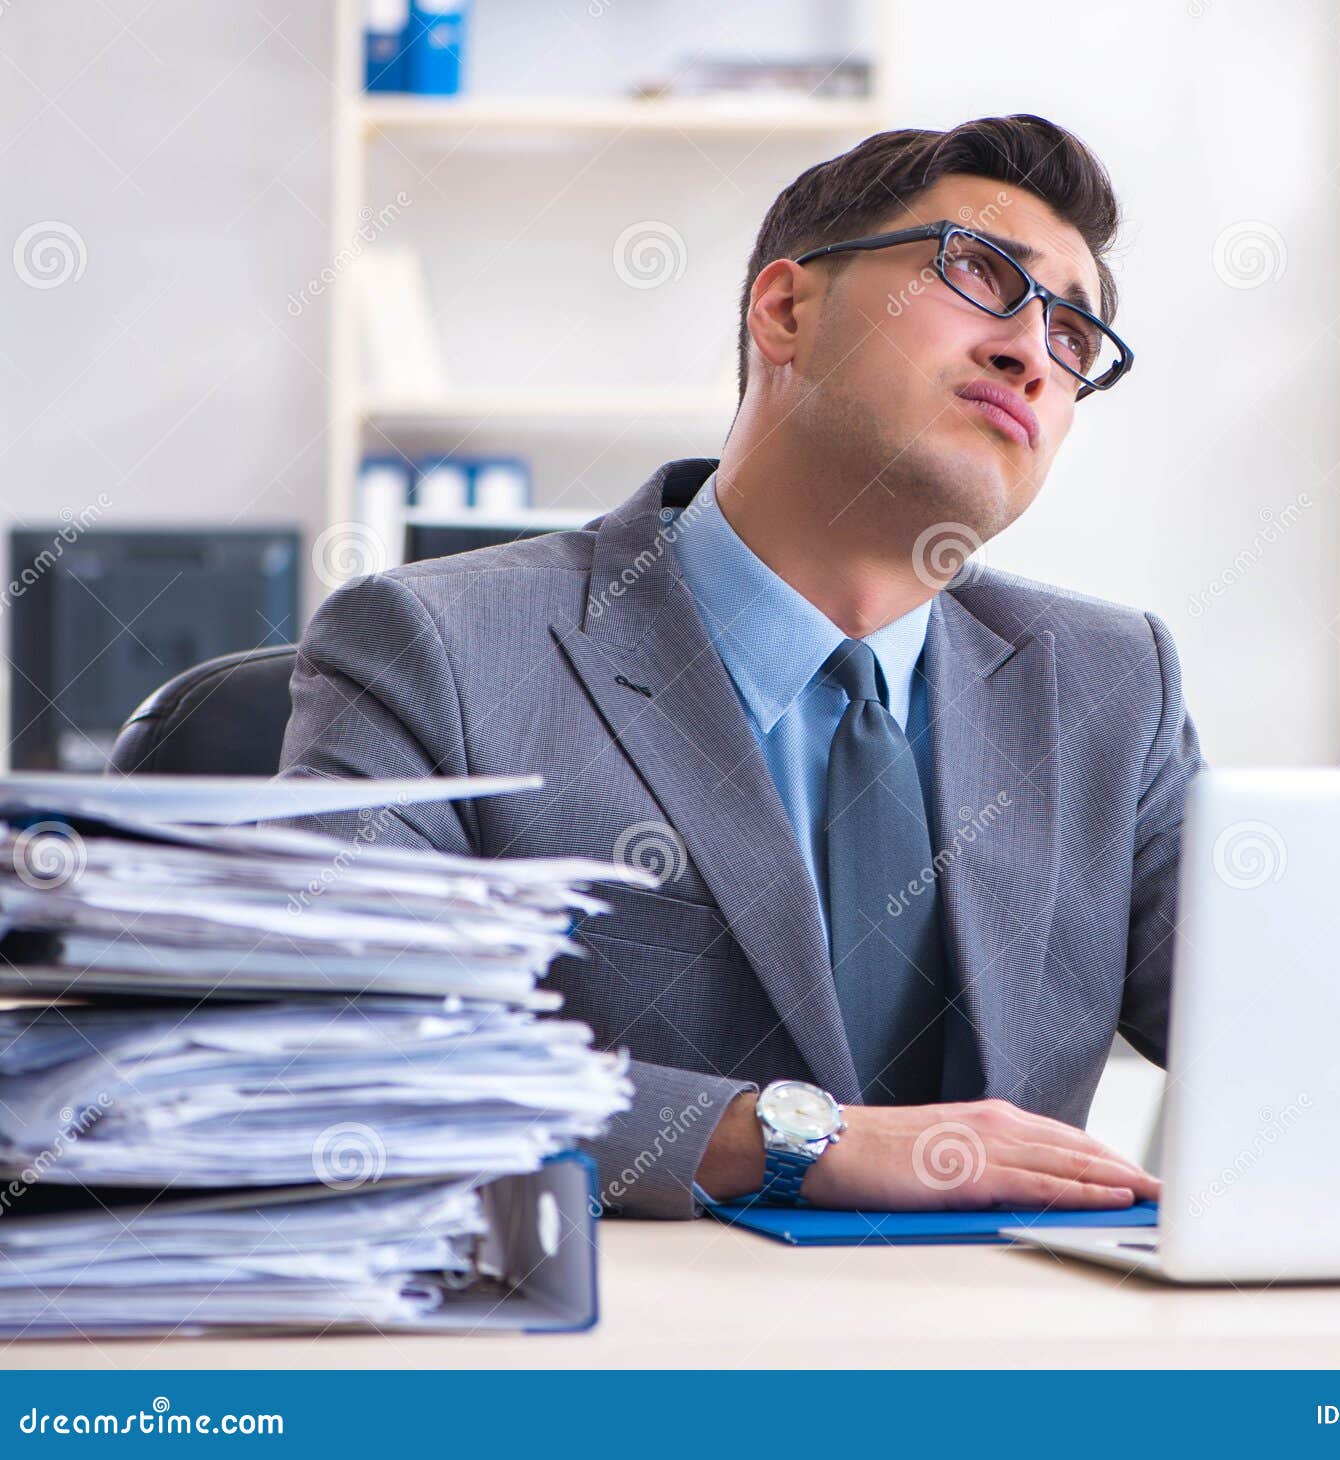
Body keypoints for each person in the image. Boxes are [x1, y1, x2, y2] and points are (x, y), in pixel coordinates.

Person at [281, 114, 1200, 1219]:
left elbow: (1292, 1033)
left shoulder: (1110, 683)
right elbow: (327, 1043)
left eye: (1073, 339)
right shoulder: (442, 648)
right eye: (981, 274)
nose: (1030, 353)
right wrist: (781, 1138)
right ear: (784, 310)